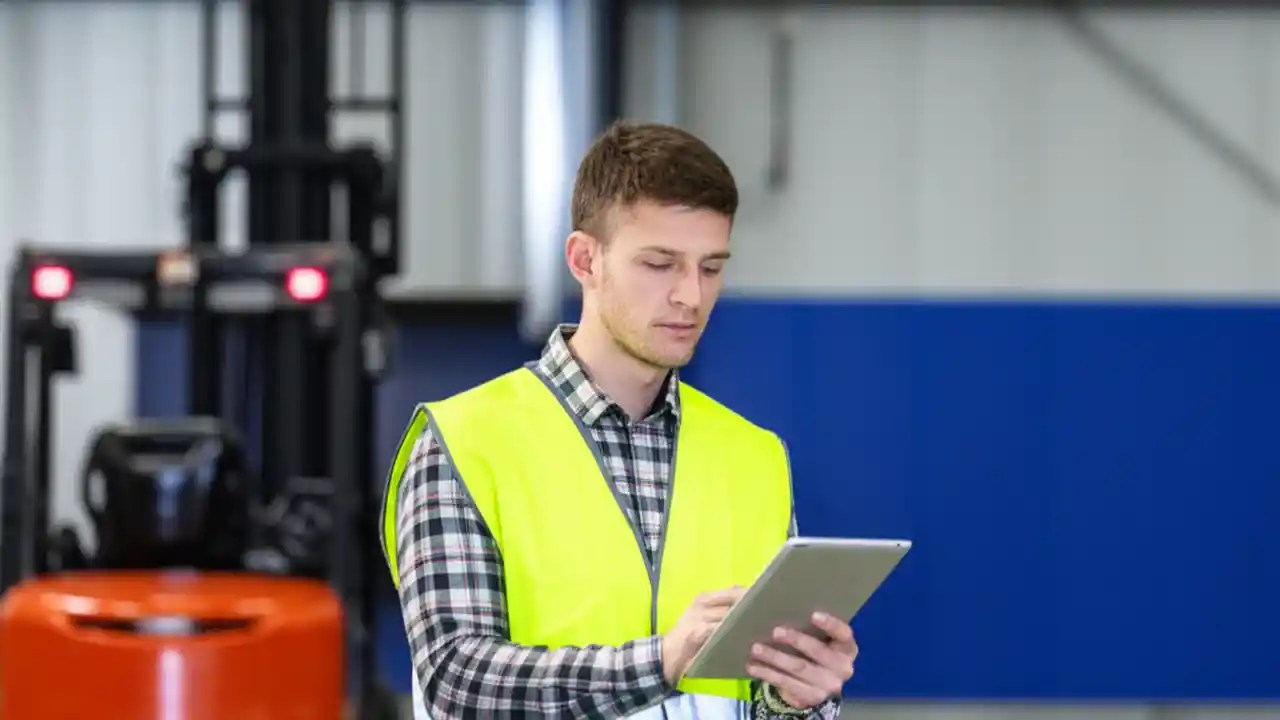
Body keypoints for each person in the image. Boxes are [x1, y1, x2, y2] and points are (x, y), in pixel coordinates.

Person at [380, 121, 856, 719]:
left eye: (711, 268)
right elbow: (459, 679)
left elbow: (756, 702)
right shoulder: (464, 443)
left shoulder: (753, 457)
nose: (691, 295)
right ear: (585, 259)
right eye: (660, 264)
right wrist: (659, 663)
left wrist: (799, 698)